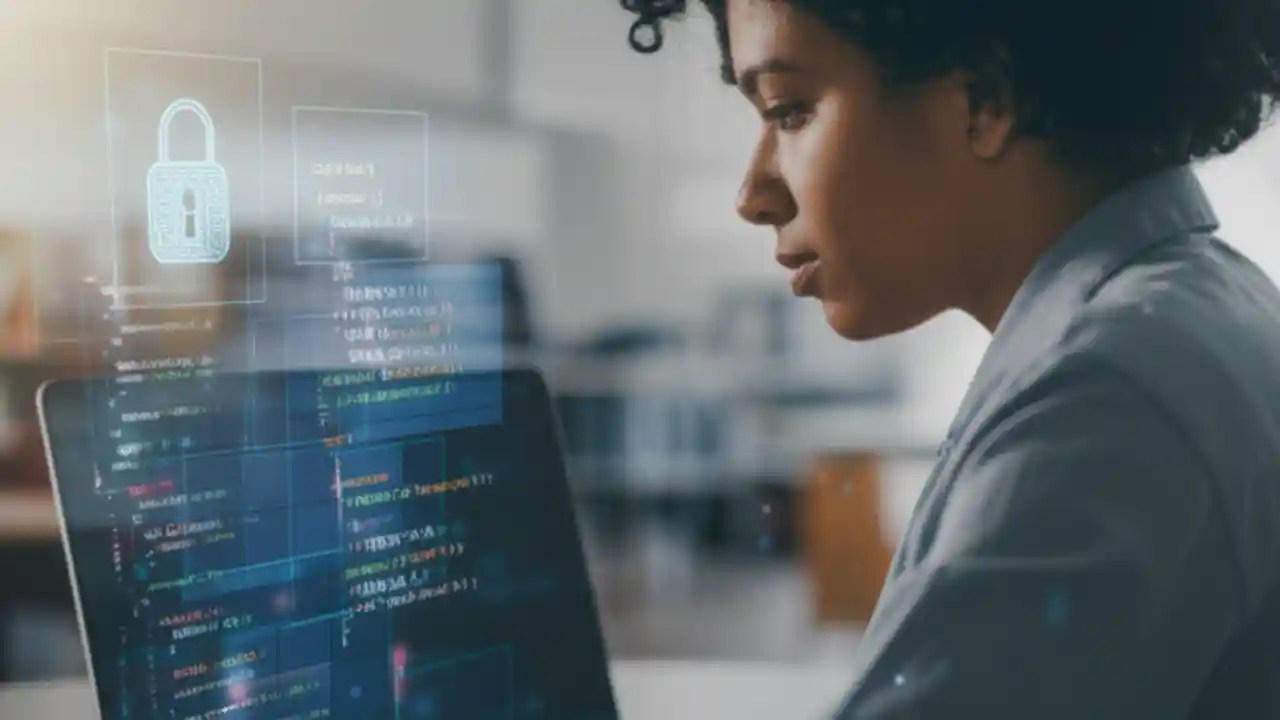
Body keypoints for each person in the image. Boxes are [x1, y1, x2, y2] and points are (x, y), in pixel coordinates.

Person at [621, 0, 1280, 716]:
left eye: (790, 111)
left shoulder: (1107, 397)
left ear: (985, 99)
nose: (753, 195)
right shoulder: (1196, 307)